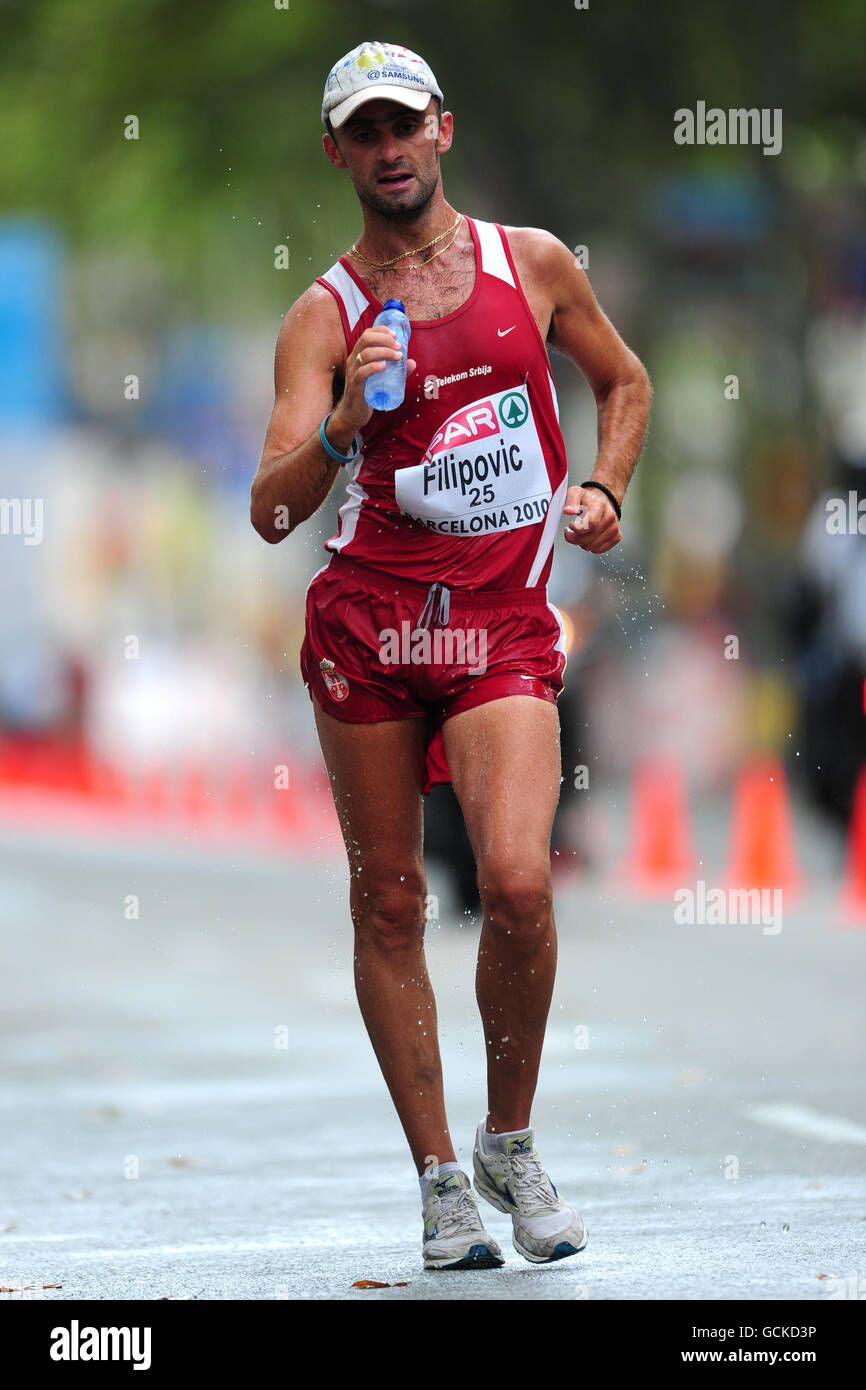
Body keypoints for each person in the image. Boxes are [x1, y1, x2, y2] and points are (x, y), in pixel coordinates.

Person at [251, 40, 651, 1270]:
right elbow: (272, 507)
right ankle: (437, 1181)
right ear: (337, 153)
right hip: (371, 626)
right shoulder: (320, 316)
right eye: (362, 133)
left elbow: (623, 382)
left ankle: (508, 1139)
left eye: (403, 126)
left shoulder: (528, 264)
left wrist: (602, 485)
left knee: (518, 883)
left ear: (442, 131)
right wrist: (341, 424)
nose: (387, 149)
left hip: (497, 624)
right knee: (388, 899)